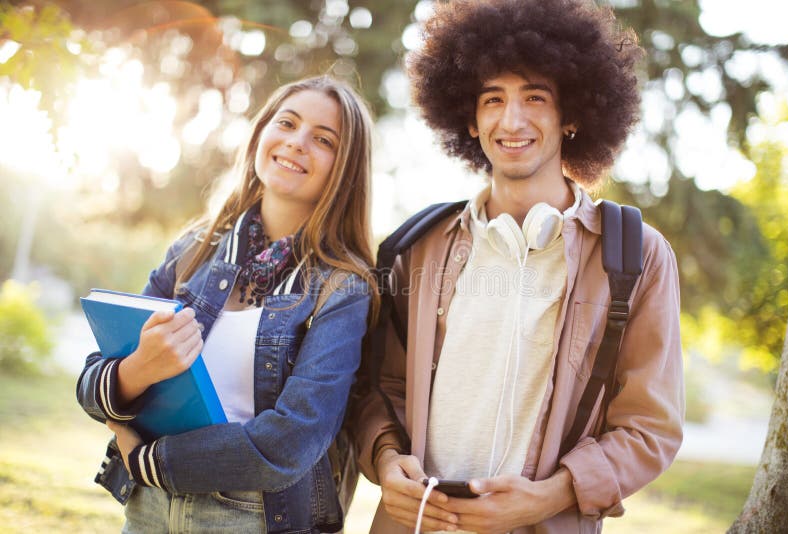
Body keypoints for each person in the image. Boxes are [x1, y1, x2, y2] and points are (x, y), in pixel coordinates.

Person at [352, 0, 684, 532]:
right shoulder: (416, 248)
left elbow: (649, 427)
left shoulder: (635, 255)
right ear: (469, 117)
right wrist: (387, 461)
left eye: (535, 97)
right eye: (493, 99)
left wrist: (551, 497)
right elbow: (380, 388)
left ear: (571, 114)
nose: (511, 120)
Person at [76, 75, 378, 533]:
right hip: (148, 510)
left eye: (323, 140)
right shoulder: (191, 250)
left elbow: (292, 441)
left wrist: (150, 461)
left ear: (346, 169)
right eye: (287, 123)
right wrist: (138, 369)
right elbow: (91, 381)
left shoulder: (343, 288)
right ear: (261, 134)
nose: (297, 143)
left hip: (251, 517)